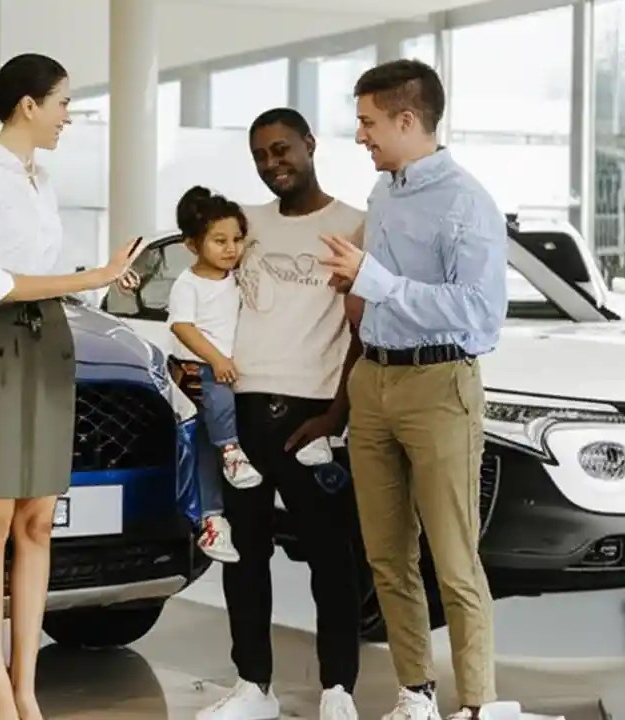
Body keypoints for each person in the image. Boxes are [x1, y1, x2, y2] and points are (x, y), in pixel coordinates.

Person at [319, 59, 518, 720]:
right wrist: (353, 285)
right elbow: (375, 284)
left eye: (369, 123)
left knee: (453, 562)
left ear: (408, 121)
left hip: (440, 386)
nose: (360, 137)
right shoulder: (384, 193)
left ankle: (479, 705)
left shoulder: (467, 202)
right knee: (386, 558)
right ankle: (416, 694)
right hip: (372, 380)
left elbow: (480, 315)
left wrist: (374, 280)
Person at [0, 53, 141, 720]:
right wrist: (92, 277)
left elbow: (40, 270)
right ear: (28, 105)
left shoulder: (44, 179)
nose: (68, 115)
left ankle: (27, 684)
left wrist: (98, 279)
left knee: (37, 520)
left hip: (52, 339)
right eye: (63, 102)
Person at [181, 108, 365, 720]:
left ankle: (338, 689)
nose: (272, 164)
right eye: (261, 156)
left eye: (282, 150)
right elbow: (201, 289)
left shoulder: (353, 225)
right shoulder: (245, 226)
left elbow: (365, 335)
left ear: (310, 145)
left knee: (331, 557)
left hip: (311, 413)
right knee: (245, 554)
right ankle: (252, 688)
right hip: (239, 411)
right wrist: (195, 362)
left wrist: (336, 415)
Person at [166, 186, 261, 563]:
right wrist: (218, 359)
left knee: (204, 453)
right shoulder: (188, 284)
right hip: (198, 370)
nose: (231, 248)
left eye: (237, 239)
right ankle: (232, 451)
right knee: (217, 408)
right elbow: (182, 327)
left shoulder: (234, 278)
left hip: (218, 369)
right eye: (219, 240)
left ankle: (212, 523)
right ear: (192, 245)